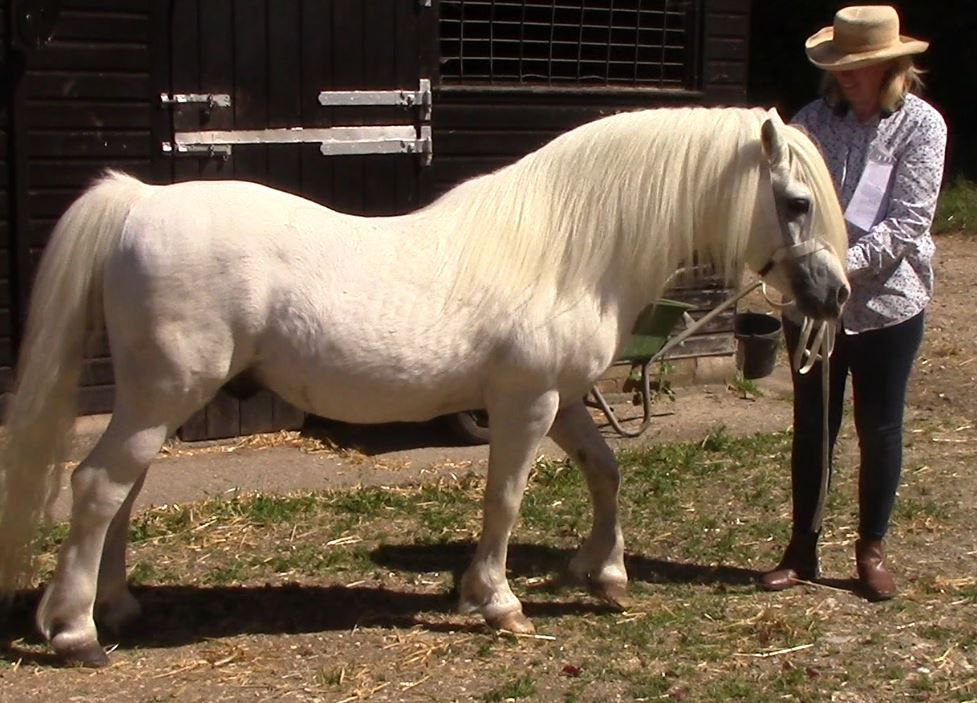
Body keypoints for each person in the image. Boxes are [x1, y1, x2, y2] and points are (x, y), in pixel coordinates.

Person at [760, 5, 947, 601]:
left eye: (859, 65)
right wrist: (801, 272)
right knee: (813, 425)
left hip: (888, 302)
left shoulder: (921, 127)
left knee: (880, 426)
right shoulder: (812, 121)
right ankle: (802, 548)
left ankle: (871, 548)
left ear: (890, 65)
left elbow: (908, 222)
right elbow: (789, 204)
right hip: (813, 305)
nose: (846, 74)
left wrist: (838, 268)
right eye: (839, 63)